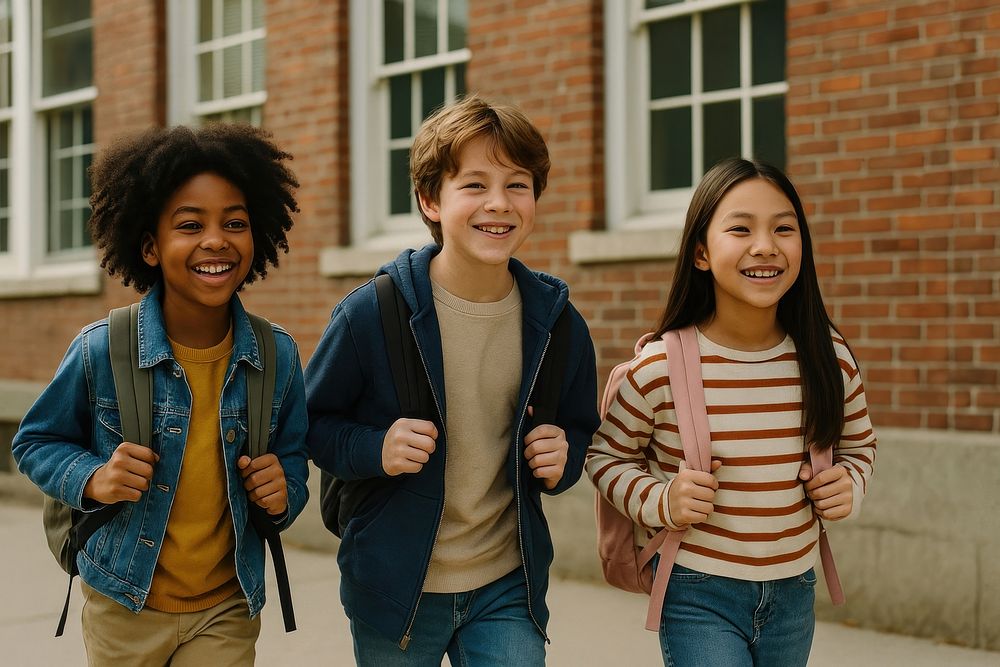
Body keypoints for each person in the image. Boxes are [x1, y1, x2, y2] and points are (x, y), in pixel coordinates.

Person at [306, 95, 600, 665]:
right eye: (474, 185)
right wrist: (377, 448)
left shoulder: (557, 321)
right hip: (396, 589)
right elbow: (312, 425)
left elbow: (578, 430)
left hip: (506, 583)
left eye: (518, 184)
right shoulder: (372, 313)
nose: (499, 204)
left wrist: (563, 458)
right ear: (430, 199)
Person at [12, 124, 310, 665]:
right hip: (124, 600)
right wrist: (94, 478)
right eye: (190, 225)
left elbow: (291, 462)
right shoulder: (103, 349)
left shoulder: (278, 355)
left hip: (227, 605)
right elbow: (34, 442)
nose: (216, 240)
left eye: (235, 223)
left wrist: (283, 488)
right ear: (149, 246)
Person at [586, 157, 877, 666]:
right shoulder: (658, 367)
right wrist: (662, 500)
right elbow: (604, 457)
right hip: (698, 591)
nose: (765, 245)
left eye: (783, 228)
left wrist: (849, 482)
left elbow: (859, 444)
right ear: (701, 253)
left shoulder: (828, 357)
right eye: (740, 228)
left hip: (794, 590)